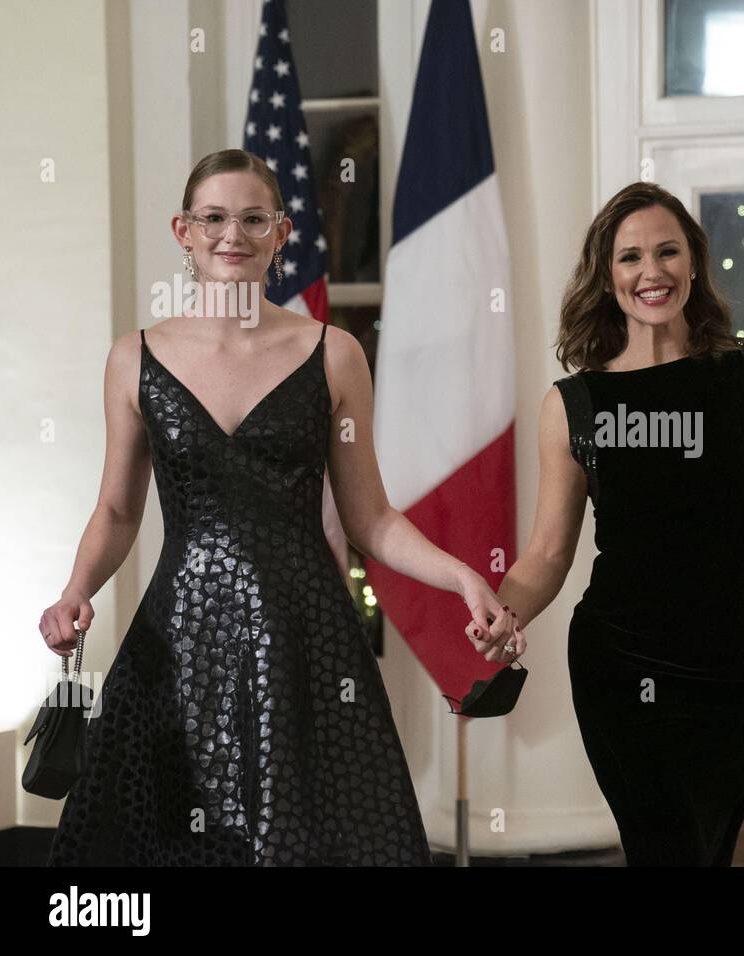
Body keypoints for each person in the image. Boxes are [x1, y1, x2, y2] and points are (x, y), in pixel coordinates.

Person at [38, 148, 518, 865]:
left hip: (308, 644)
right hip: (180, 641)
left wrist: (463, 577)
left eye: (253, 219)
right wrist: (75, 593)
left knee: (316, 843)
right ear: (184, 231)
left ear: (281, 233)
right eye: (214, 218)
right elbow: (116, 512)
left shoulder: (334, 352)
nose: (233, 234)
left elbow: (371, 520)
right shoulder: (134, 357)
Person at [467, 181, 744, 865]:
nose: (652, 273)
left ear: (694, 263)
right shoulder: (576, 404)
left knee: (708, 852)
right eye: (630, 258)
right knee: (666, 852)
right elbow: (547, 553)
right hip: (624, 672)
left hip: (733, 670)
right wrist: (506, 613)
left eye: (667, 252)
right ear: (606, 274)